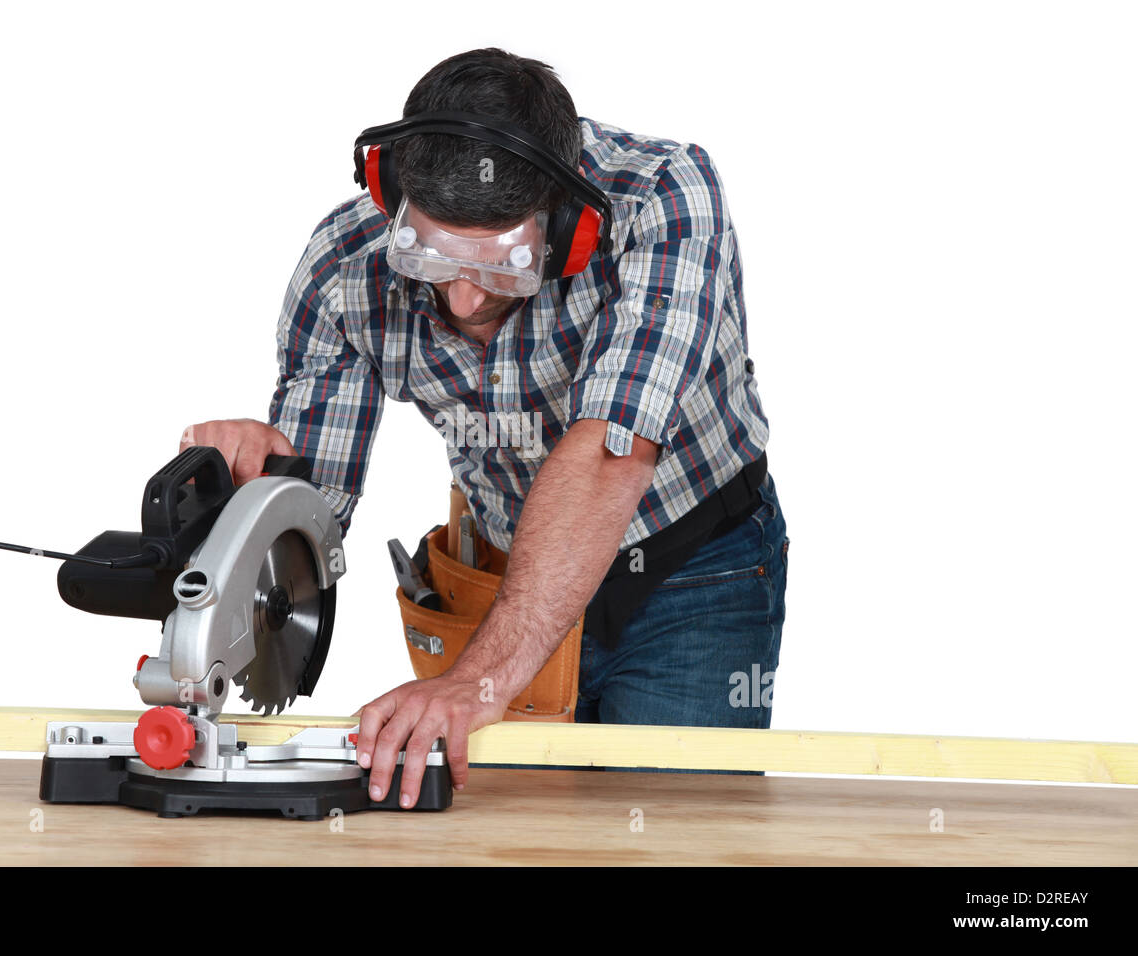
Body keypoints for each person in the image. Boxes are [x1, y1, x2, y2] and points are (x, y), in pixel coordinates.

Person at [182, 47, 788, 808]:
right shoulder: (345, 264)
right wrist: (252, 499)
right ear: (395, 200)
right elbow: (315, 513)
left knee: (675, 832)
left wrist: (477, 680)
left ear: (566, 230)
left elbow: (614, 448)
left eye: (501, 265)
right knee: (506, 840)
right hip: (502, 573)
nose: (464, 301)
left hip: (693, 567)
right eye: (434, 258)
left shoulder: (664, 199)